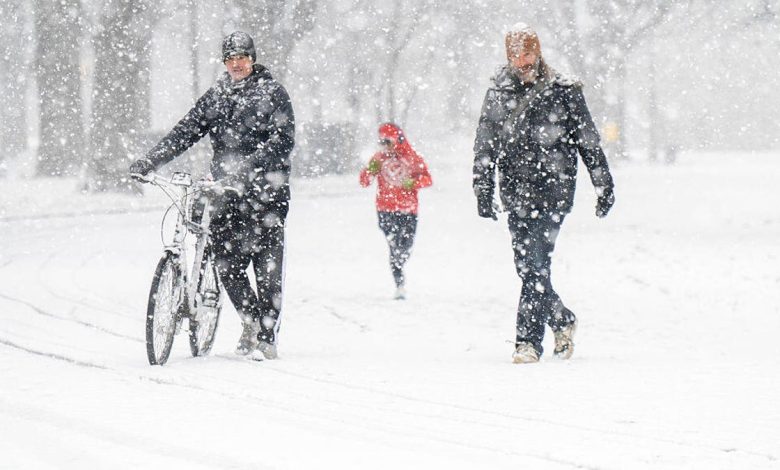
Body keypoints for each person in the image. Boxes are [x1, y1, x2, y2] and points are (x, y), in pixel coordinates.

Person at [129, 31, 294, 360]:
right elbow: (186, 130)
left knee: (267, 268)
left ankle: (266, 336)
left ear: (253, 59)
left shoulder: (273, 93)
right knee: (227, 264)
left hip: (265, 195)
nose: (237, 64)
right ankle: (249, 320)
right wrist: (151, 159)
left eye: (243, 58)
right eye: (231, 59)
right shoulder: (217, 96)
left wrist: (246, 168)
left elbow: (282, 141)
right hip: (226, 194)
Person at [472, 25, 615, 364]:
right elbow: (485, 143)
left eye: (527, 53)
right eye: (515, 55)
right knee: (527, 267)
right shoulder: (499, 93)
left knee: (536, 263)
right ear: (508, 57)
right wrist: (483, 186)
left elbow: (587, 140)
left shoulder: (564, 91)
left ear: (538, 52)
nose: (523, 61)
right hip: (516, 192)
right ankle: (562, 319)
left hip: (554, 190)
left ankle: (527, 342)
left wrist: (603, 183)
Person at [360, 123, 432, 299]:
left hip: (408, 210)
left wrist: (413, 183)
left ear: (397, 140)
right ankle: (399, 282)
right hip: (385, 209)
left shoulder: (412, 157)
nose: (384, 146)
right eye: (381, 141)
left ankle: (399, 264)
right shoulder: (378, 159)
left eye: (387, 141)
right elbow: (364, 181)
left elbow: (427, 179)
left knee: (405, 246)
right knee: (394, 246)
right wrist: (370, 171)